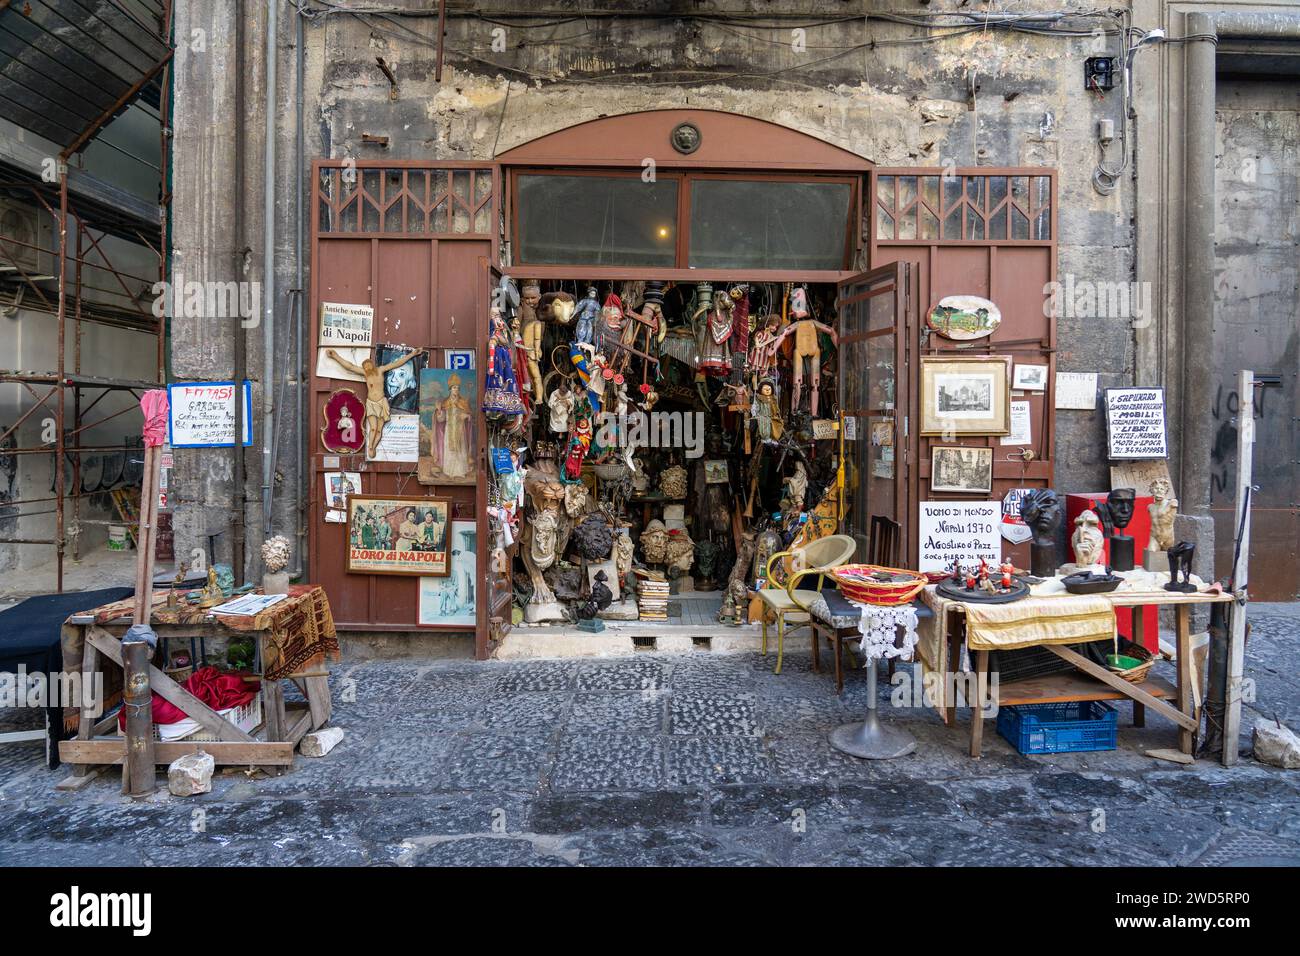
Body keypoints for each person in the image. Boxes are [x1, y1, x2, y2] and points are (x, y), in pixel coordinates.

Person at [325, 346, 426, 457]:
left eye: (368, 365)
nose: (367, 368)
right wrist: (335, 356)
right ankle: (370, 447)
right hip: (371, 404)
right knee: (373, 428)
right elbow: (350, 366)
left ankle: (373, 447)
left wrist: (412, 354)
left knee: (379, 430)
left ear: (372, 365)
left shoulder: (380, 370)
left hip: (381, 403)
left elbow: (396, 364)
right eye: (365, 366)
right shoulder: (365, 373)